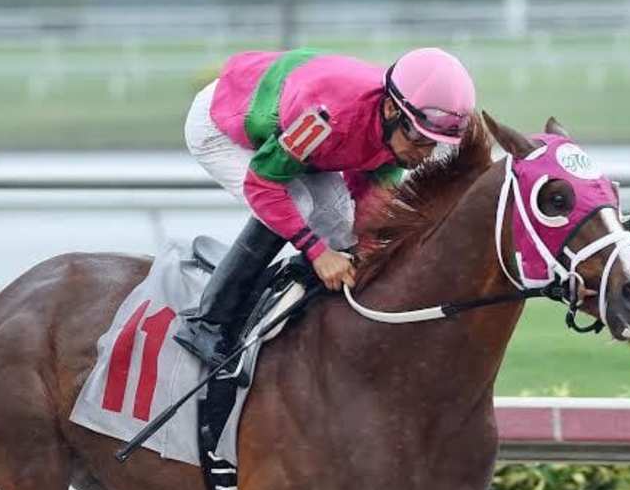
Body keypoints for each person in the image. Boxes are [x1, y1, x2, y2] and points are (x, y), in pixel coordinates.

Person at [174, 46, 477, 368]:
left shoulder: (396, 133)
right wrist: (317, 253)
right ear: (390, 109)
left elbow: (371, 211)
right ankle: (207, 323)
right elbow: (262, 186)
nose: (424, 155)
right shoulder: (325, 116)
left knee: (342, 227)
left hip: (296, 134)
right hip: (221, 125)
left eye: (435, 144)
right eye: (419, 138)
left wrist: (367, 251)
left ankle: (320, 321)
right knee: (299, 206)